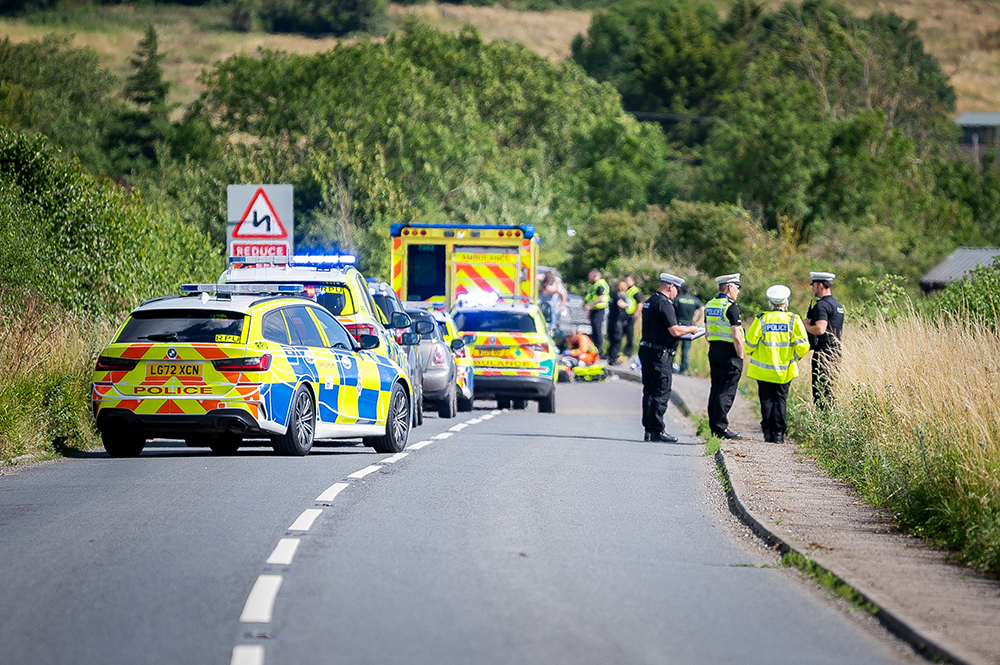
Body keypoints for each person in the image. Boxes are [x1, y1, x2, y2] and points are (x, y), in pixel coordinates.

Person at [745, 285, 811, 443]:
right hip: (785, 370)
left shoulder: (762, 319)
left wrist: (755, 351)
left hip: (763, 370)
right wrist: (793, 357)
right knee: (781, 400)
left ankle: (768, 433)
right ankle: (779, 435)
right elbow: (803, 346)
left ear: (770, 303)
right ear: (785, 302)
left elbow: (748, 345)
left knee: (766, 400)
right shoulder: (793, 320)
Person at [639, 273, 700, 443]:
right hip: (660, 354)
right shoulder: (665, 304)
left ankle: (649, 429)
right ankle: (657, 430)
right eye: (676, 290)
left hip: (647, 349)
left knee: (649, 391)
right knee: (661, 391)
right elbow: (674, 330)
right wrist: (691, 329)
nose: (677, 294)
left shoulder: (650, 300)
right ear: (671, 287)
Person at [705, 273, 745, 440]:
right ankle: (721, 428)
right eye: (737, 287)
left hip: (714, 349)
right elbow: (737, 336)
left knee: (716, 388)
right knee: (726, 390)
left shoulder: (709, 304)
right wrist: (741, 356)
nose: (738, 292)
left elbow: (707, 333)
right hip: (730, 352)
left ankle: (714, 426)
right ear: (729, 287)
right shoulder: (732, 307)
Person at [804, 271, 845, 409]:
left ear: (820, 285)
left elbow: (820, 329)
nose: (812, 288)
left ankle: (823, 422)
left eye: (814, 285)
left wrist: (806, 325)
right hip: (835, 352)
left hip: (823, 353)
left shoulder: (821, 305)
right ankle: (830, 422)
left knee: (820, 392)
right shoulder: (837, 305)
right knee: (830, 390)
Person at [674, 283, 704, 375]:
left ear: (681, 291)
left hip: (678, 326)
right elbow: (702, 309)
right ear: (689, 291)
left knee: (673, 347)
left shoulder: (678, 299)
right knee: (686, 349)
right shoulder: (694, 300)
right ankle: (683, 368)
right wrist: (696, 321)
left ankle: (670, 365)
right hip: (689, 326)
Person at [605, 279, 633, 365]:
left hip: (612, 321)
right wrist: (628, 304)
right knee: (617, 340)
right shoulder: (618, 296)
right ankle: (613, 359)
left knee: (613, 340)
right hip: (617, 322)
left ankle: (611, 356)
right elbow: (620, 304)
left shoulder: (613, 295)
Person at [583, 269, 610, 357]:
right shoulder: (595, 284)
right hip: (595, 310)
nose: (588, 278)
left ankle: (599, 350)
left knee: (597, 330)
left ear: (595, 276)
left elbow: (600, 298)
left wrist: (590, 306)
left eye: (589, 276)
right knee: (594, 330)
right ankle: (595, 349)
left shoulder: (600, 284)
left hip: (599, 309)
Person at [540, 269, 568, 335]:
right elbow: (557, 291)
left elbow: (563, 293)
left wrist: (562, 304)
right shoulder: (545, 287)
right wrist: (558, 282)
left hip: (553, 309)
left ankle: (551, 332)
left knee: (553, 325)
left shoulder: (553, 285)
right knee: (547, 324)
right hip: (546, 309)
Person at [622, 275, 642, 358]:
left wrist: (636, 313)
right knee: (621, 332)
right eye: (625, 281)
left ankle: (629, 351)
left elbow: (640, 303)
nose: (626, 282)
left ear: (633, 281)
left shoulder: (635, 290)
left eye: (628, 281)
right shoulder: (627, 290)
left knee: (630, 333)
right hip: (625, 315)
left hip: (631, 315)